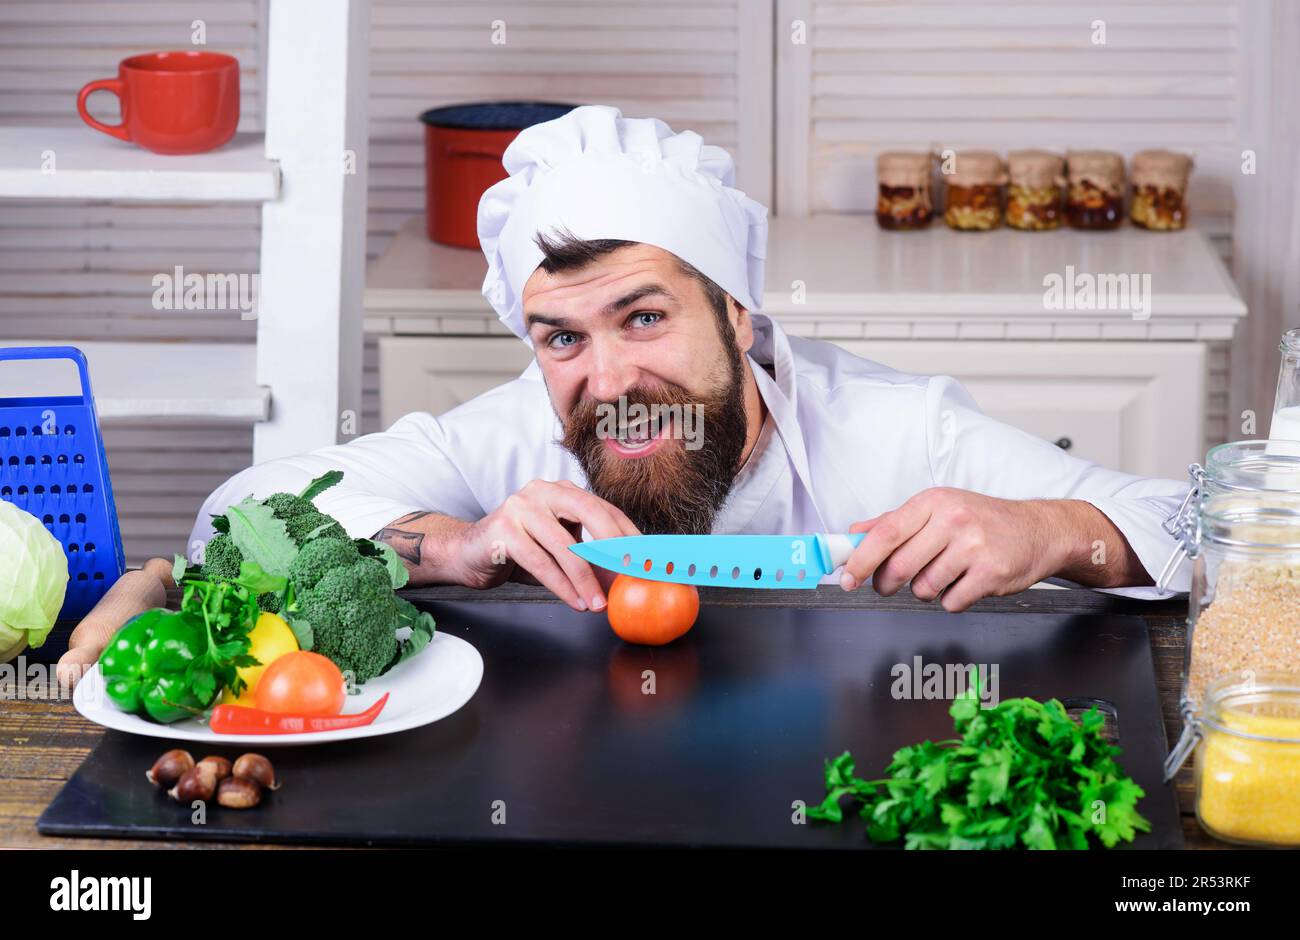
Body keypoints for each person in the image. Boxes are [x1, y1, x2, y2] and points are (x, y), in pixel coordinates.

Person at [57, 106, 1190, 681]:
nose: (607, 382)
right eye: (561, 336)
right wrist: (446, 544)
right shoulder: (500, 445)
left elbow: (1205, 528)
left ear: (738, 318)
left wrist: (1061, 529)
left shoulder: (899, 430)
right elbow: (234, 521)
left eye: (644, 317)